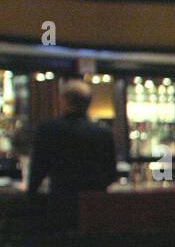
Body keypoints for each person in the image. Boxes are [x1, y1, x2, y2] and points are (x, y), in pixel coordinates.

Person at [26, 79, 117, 231]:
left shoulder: (49, 130)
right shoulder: (103, 133)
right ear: (89, 103)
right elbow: (111, 173)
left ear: (64, 100)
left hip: (62, 202)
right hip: (94, 203)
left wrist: (31, 195)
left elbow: (38, 168)